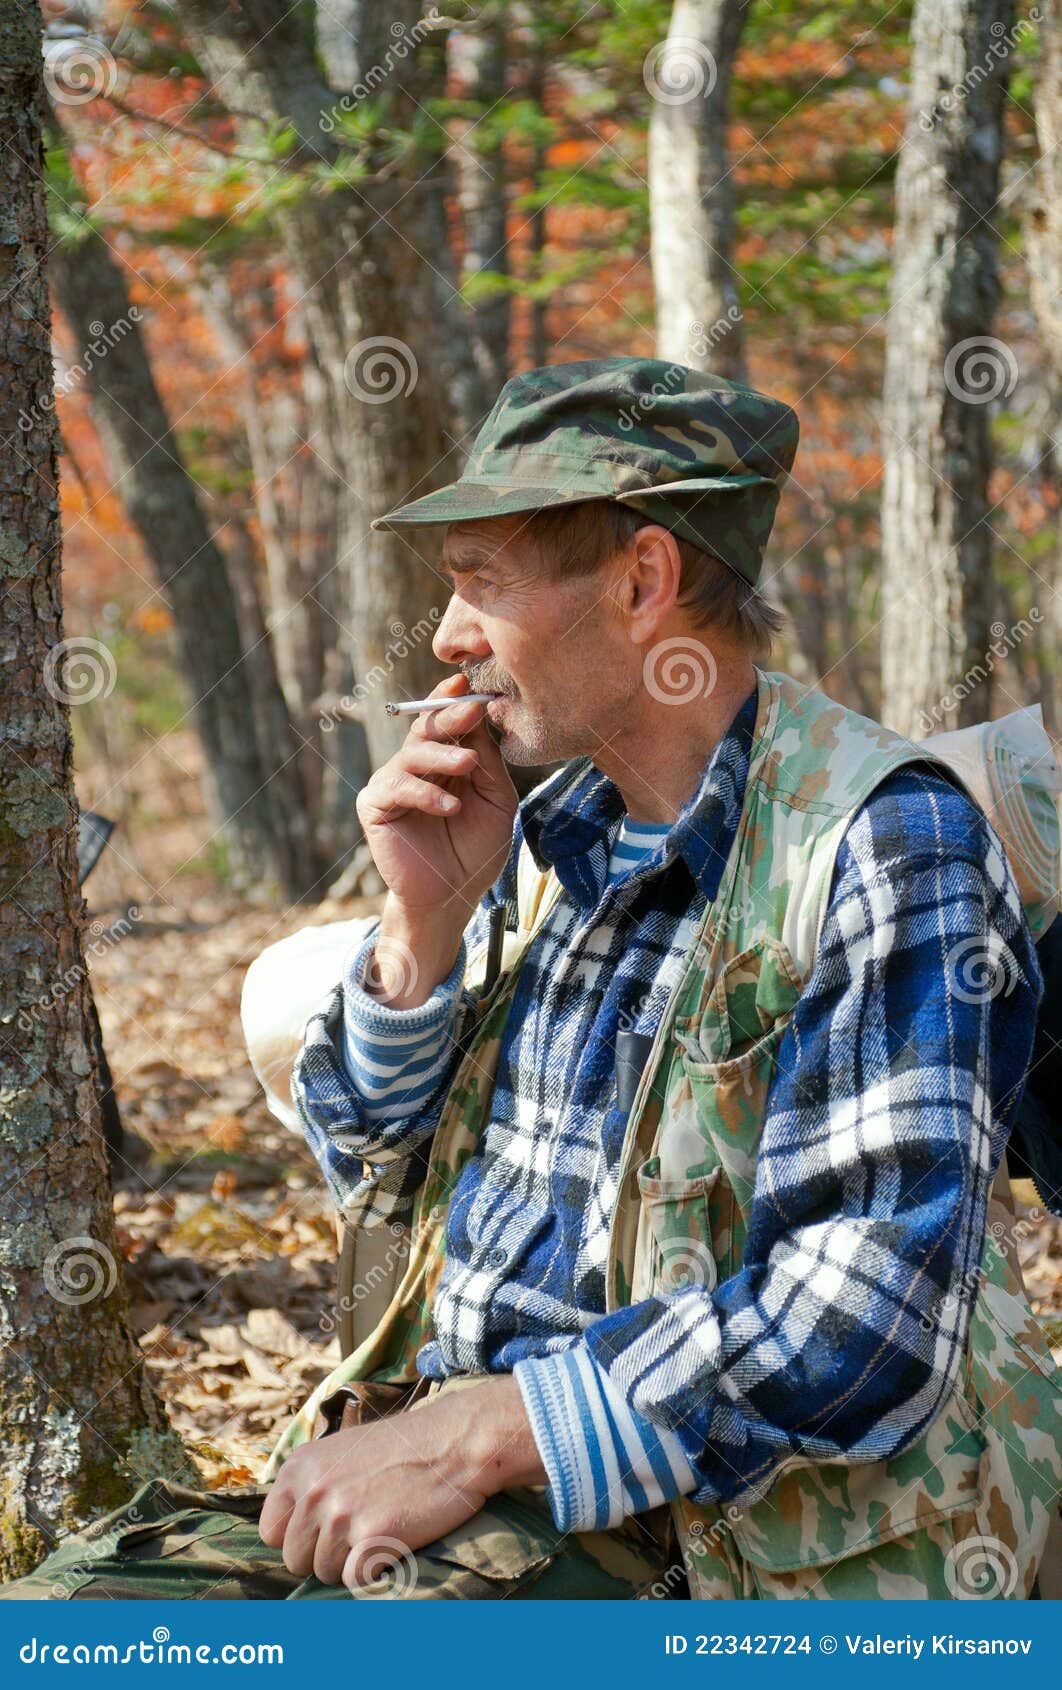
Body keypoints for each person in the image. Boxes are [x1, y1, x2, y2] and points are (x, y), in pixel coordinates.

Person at [5, 358, 1059, 1601]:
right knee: (62, 1623)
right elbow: (368, 1181)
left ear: (642, 580)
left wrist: (486, 1429)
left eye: (481, 582)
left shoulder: (882, 839)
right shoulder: (546, 824)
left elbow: (867, 1311)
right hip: (468, 1492)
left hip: (739, 1548)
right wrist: (424, 927)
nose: (447, 636)